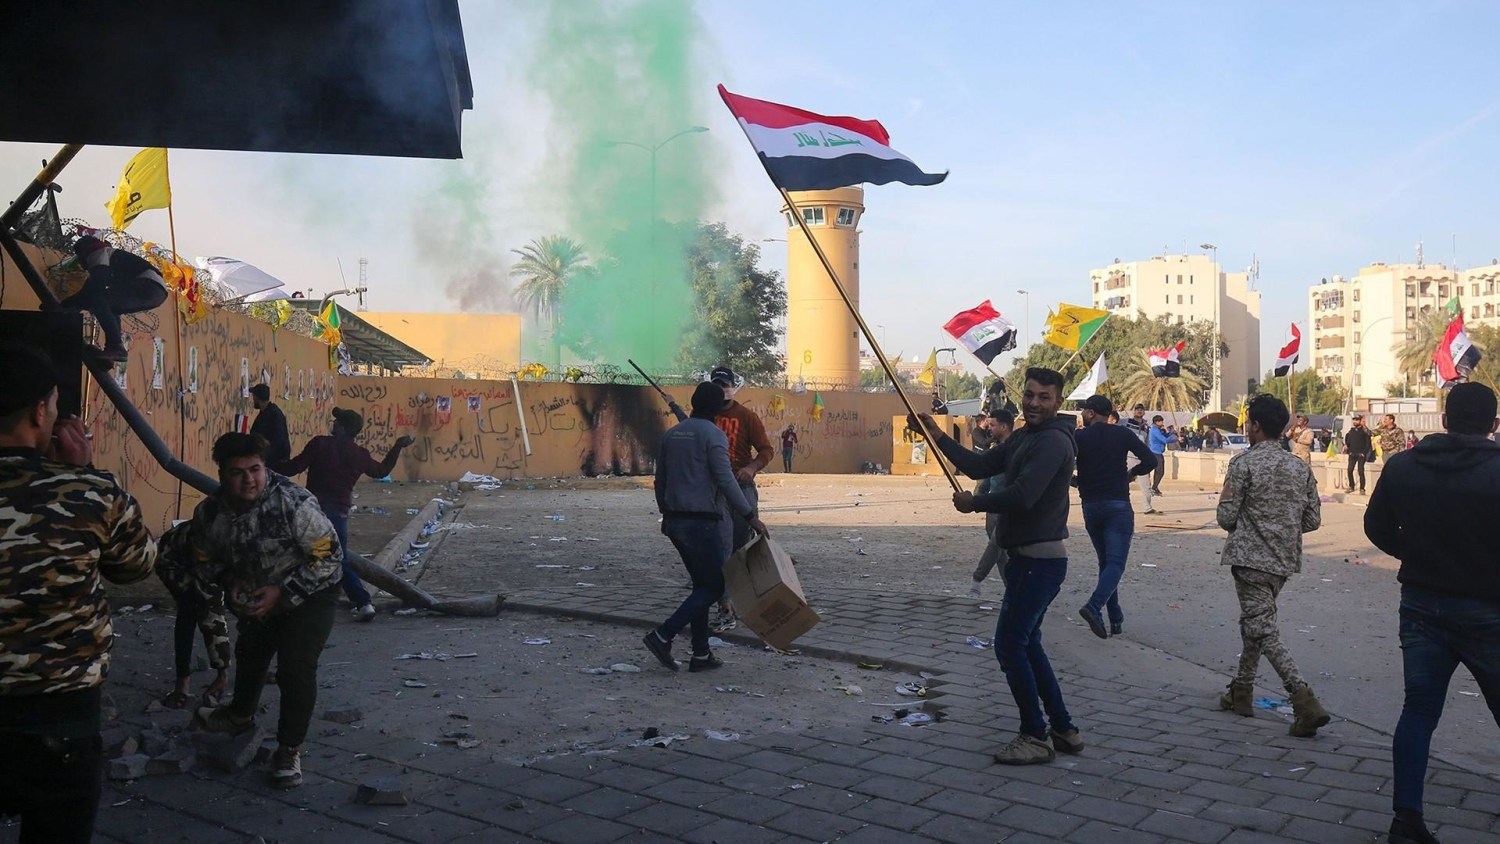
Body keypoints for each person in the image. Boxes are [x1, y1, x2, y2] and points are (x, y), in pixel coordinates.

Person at [0, 346, 157, 843]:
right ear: (40, 413)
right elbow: (136, 565)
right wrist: (83, 473)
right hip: (60, 720)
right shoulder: (90, 493)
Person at [921, 367, 1081, 765]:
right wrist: (937, 435)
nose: (1034, 403)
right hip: (1025, 561)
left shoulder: (1053, 442)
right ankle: (1063, 728)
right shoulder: (1024, 437)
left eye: (1044, 397)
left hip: (1039, 563)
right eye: (1030, 394)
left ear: (1058, 401)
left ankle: (1035, 735)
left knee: (1010, 646)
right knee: (1028, 643)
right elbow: (980, 467)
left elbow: (1024, 495)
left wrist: (975, 503)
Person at [1363, 383, 1500, 844]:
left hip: (1422, 605)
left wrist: (1415, 555)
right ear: (1494, 424)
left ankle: (1406, 819)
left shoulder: (1404, 465)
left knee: (1419, 711)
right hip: (1487, 609)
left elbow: (1375, 526)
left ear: (1444, 420)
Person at [188, 432, 343, 789]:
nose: (248, 480)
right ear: (222, 474)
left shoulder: (292, 503)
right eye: (237, 472)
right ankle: (239, 715)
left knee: (295, 667)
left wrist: (283, 592)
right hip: (256, 593)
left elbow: (331, 556)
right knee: (251, 653)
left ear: (264, 468)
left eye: (255, 470)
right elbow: (203, 558)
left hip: (312, 591)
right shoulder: (210, 513)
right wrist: (229, 581)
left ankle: (288, 749)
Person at [1216, 395, 1329, 738]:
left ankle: (1303, 699)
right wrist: (1282, 527)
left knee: (1263, 630)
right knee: (1256, 622)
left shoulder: (1243, 464)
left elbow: (1226, 517)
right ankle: (1241, 691)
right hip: (1282, 561)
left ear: (1256, 426)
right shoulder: (1299, 467)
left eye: (1249, 423)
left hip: (1249, 559)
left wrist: (1256, 526)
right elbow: (1312, 519)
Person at [644, 382, 769, 672]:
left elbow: (660, 480)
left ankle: (701, 654)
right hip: (703, 521)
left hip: (675, 519)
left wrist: (665, 512)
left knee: (701, 585)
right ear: (716, 409)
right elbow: (726, 480)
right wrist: (750, 516)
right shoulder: (714, 435)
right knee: (716, 585)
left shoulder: (673, 434)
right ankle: (663, 635)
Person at [275, 408, 413, 622]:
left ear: (342, 428)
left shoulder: (320, 444)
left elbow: (293, 468)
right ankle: (358, 602)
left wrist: (268, 464)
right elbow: (382, 471)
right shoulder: (359, 455)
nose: (334, 424)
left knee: (317, 556)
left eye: (337, 422)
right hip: (339, 513)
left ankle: (356, 601)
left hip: (314, 513)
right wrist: (397, 446)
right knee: (335, 558)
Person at [1074, 395, 1156, 640]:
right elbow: (1150, 460)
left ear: (1091, 413)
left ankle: (1115, 617)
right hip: (1118, 505)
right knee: (1116, 564)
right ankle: (1094, 606)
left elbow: (1061, 462)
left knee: (1106, 563)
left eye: (1084, 411)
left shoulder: (1078, 437)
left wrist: (1075, 481)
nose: (1082, 415)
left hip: (1091, 506)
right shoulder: (1122, 434)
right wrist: (1132, 473)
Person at [708, 366, 772, 631]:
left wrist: (751, 468)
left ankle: (740, 600)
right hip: (715, 490)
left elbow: (766, 450)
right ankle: (725, 606)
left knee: (739, 548)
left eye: (726, 385)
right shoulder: (705, 415)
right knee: (720, 548)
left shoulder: (747, 417)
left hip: (741, 487)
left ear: (733, 387)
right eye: (717, 385)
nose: (722, 390)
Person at [154, 523, 232, 710]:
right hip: (172, 561)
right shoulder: (216, 544)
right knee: (190, 610)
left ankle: (246, 671)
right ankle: (183, 682)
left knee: (215, 609)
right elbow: (214, 617)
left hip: (204, 556)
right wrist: (223, 672)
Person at [62, 234, 169, 362]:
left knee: (98, 300)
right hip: (157, 292)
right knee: (110, 307)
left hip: (148, 285)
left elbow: (97, 283)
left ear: (83, 253)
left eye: (79, 258)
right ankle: (114, 350)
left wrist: (66, 306)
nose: (80, 263)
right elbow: (88, 290)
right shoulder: (106, 258)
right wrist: (69, 305)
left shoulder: (96, 251)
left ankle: (115, 347)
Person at [967, 408, 1015, 598]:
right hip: (992, 509)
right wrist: (977, 499)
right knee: (1001, 555)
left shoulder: (1017, 450)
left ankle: (976, 580)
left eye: (993, 425)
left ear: (1004, 427)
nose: (990, 428)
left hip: (1007, 507)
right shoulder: (995, 450)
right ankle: (1010, 590)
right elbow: (986, 477)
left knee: (996, 544)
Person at [249, 383, 291, 466]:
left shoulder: (274, 414)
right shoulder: (265, 412)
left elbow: (278, 441)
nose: (253, 398)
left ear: (257, 397)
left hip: (275, 462)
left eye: (254, 396)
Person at [1147, 415, 1177, 496]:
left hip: (1157, 452)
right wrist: (1176, 439)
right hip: (1156, 452)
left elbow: (1164, 436)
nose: (1162, 423)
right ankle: (1153, 488)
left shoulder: (1157, 429)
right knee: (1160, 471)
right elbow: (1164, 440)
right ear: (1157, 422)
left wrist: (1172, 432)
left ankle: (1155, 488)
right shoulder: (1155, 430)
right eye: (1161, 421)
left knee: (1158, 471)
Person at [1345, 414, 1373, 494]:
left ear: (1360, 421)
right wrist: (1347, 446)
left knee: (1361, 471)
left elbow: (1368, 443)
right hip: (1352, 454)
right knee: (1349, 470)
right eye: (1354, 420)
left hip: (1361, 454)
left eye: (1357, 420)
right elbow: (1348, 441)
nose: (1355, 421)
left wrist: (1364, 453)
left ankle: (1362, 488)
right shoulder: (1351, 431)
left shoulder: (1364, 431)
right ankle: (1351, 486)